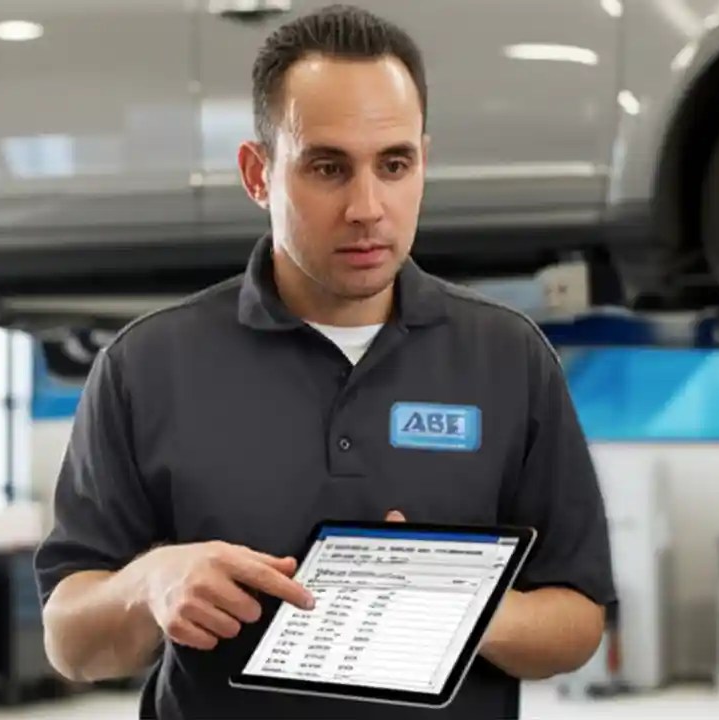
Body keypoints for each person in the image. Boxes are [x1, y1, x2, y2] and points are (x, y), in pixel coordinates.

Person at [33, 6, 616, 719]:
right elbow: (70, 641)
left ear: (423, 163)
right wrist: (149, 583)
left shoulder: (509, 359)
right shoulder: (146, 367)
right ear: (257, 173)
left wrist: (460, 607)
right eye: (328, 167)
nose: (368, 207)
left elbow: (579, 620)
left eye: (394, 164)